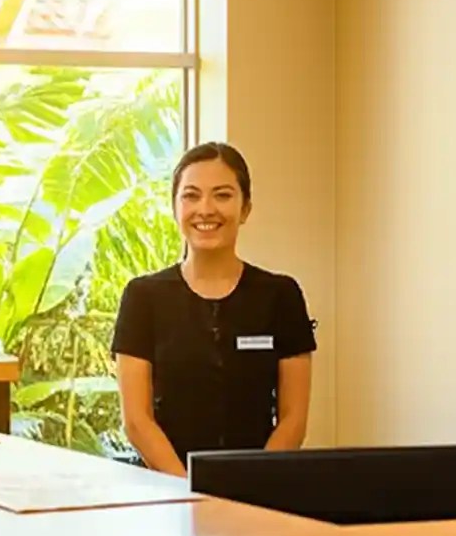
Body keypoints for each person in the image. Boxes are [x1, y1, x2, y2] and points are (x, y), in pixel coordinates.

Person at [110, 141, 316, 477]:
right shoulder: (143, 297)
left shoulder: (281, 295)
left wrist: (253, 488)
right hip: (168, 495)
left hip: (258, 497)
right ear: (175, 207)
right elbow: (136, 420)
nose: (205, 209)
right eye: (191, 196)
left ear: (245, 208)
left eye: (222, 195)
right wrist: (188, 493)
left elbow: (294, 418)